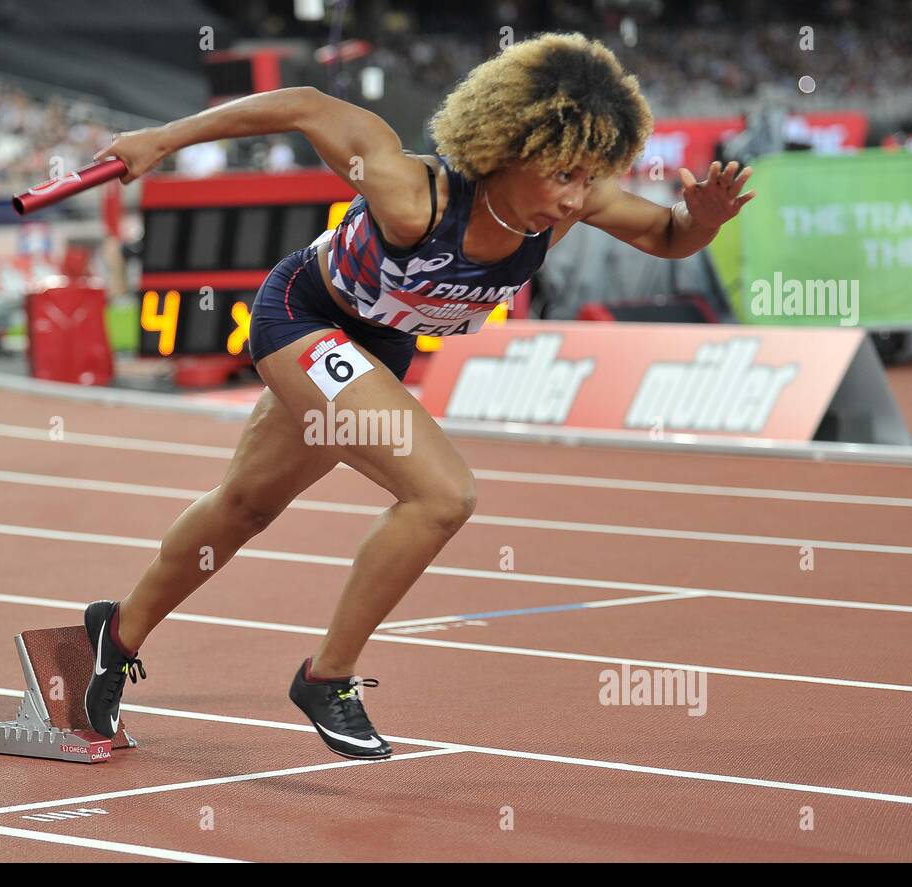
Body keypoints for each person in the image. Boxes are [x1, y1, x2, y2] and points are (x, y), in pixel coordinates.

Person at [82, 33, 755, 760]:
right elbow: (303, 105)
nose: (572, 195)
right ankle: (326, 677)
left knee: (245, 505)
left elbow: (669, 235)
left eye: (587, 177)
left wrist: (706, 222)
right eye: (560, 172)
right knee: (442, 494)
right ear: (506, 146)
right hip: (304, 320)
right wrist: (162, 140)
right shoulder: (410, 194)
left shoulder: (569, 207)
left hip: (378, 347)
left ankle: (115, 635)